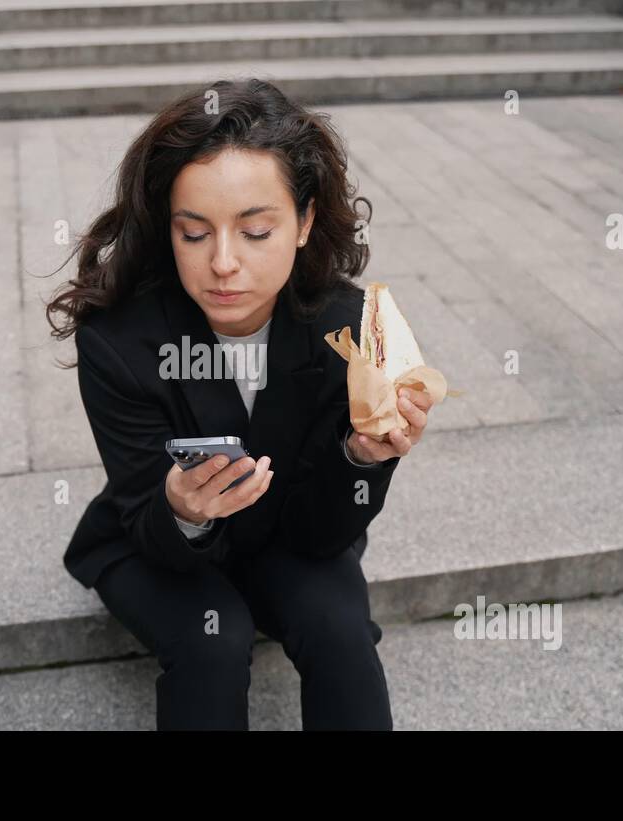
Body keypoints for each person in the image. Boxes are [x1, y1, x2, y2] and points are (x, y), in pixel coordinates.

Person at [44, 78, 436, 731]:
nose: (223, 263)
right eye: (194, 233)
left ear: (305, 221)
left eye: (256, 231)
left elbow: (324, 534)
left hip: (288, 534)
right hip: (151, 543)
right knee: (213, 635)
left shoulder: (345, 325)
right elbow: (145, 517)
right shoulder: (119, 341)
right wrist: (184, 509)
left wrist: (360, 456)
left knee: (339, 627)